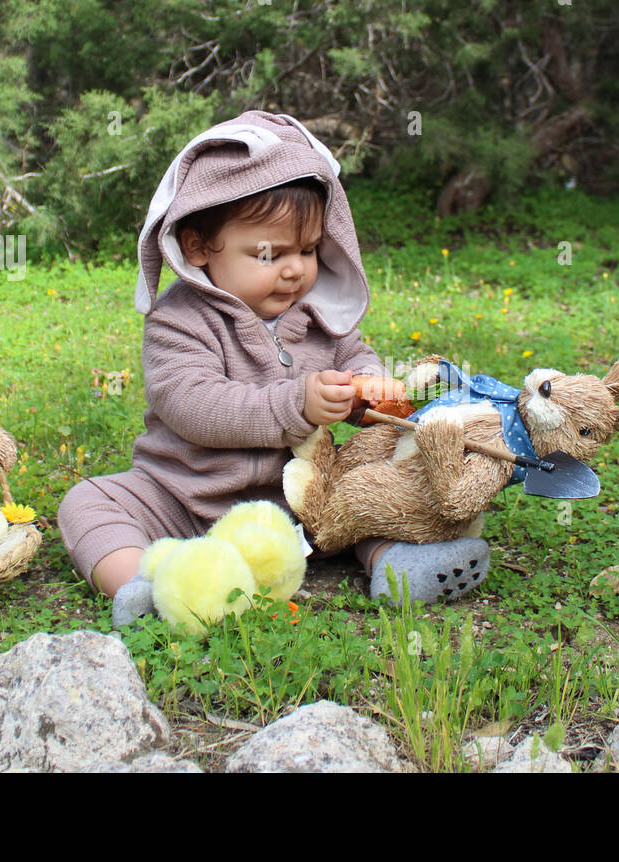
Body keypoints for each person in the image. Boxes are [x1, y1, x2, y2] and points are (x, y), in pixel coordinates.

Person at [56, 110, 490, 622]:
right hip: (187, 498)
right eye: (270, 253)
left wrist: (366, 387)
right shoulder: (181, 319)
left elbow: (356, 357)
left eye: (307, 249)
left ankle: (398, 565)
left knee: (371, 493)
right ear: (197, 246)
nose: (295, 269)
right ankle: (146, 585)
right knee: (88, 503)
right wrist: (294, 404)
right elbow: (190, 403)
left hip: (301, 501)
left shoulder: (318, 315)